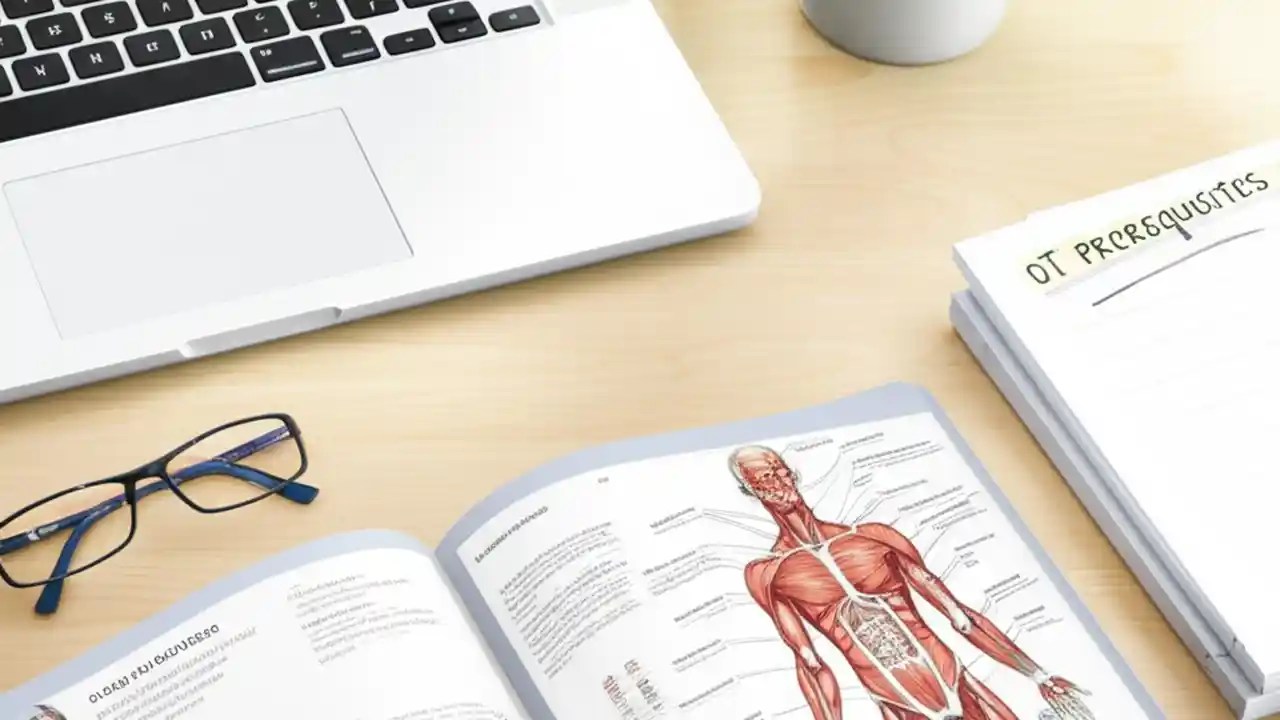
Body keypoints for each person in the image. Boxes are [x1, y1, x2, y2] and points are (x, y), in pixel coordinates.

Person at [730, 445, 1094, 720]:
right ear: (750, 492)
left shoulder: (874, 537)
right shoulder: (768, 573)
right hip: (897, 704)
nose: (778, 482)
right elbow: (809, 661)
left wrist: (1039, 675)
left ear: (793, 472)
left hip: (957, 682)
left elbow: (959, 615)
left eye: (779, 471)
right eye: (764, 479)